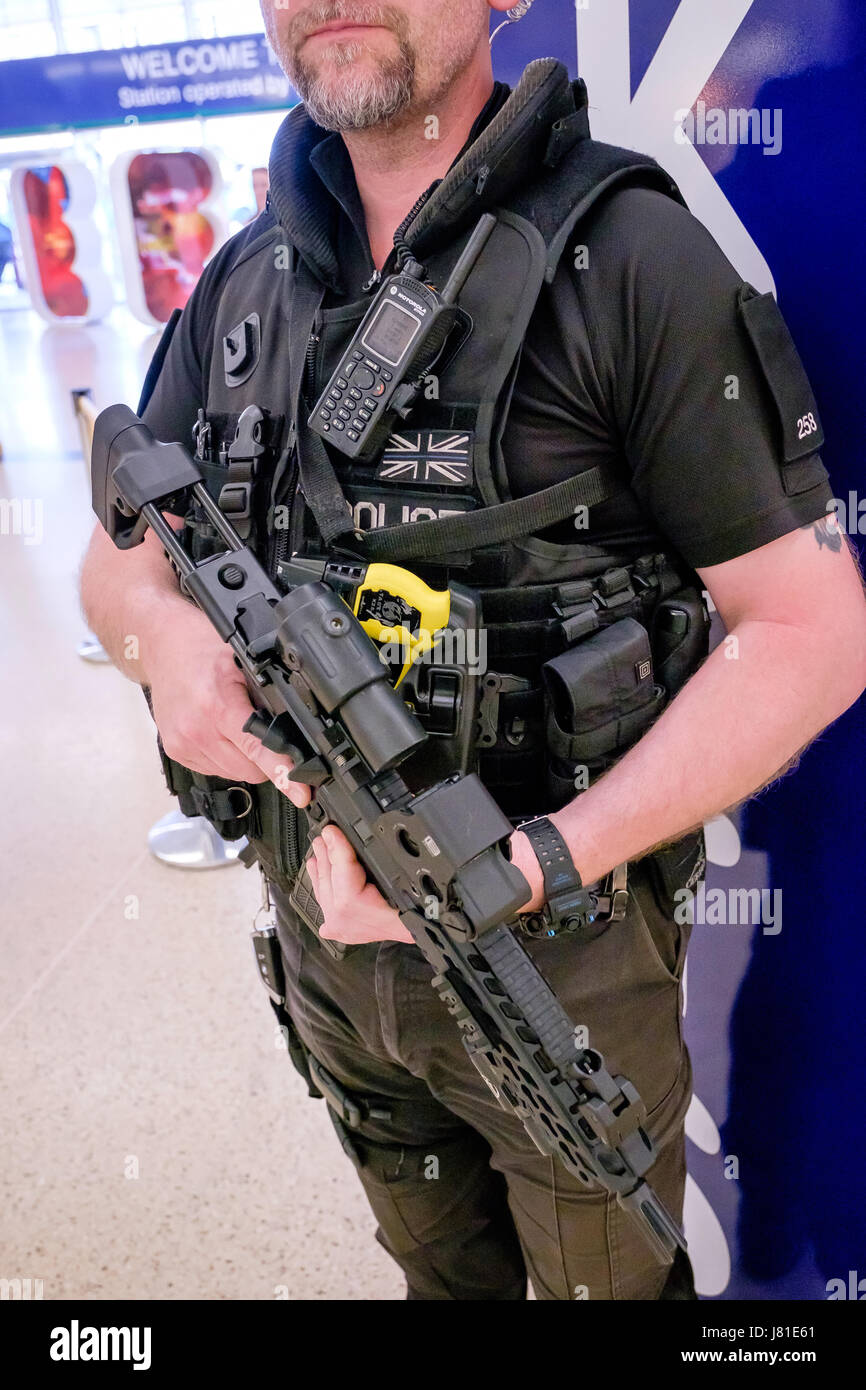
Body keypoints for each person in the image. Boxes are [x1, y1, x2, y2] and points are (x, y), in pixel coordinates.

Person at [80, 0, 866, 1301]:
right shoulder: (241, 280)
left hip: (551, 961)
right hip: (327, 954)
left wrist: (543, 859)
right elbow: (119, 558)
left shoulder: (629, 262)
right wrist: (163, 648)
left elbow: (813, 633)